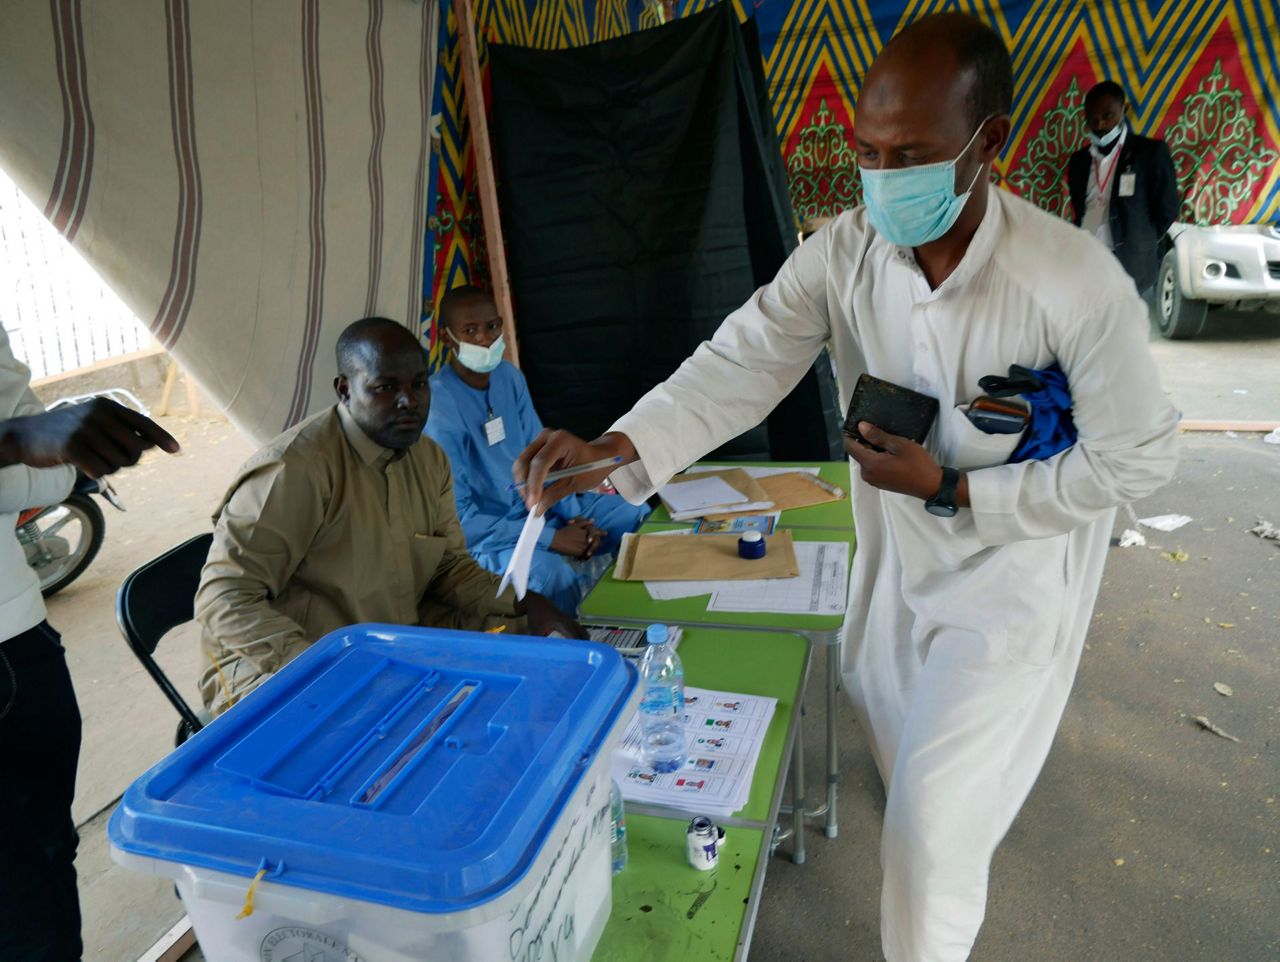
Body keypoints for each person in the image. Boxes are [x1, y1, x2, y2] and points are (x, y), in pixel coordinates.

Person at [513, 14, 1179, 961]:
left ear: (989, 140)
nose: (882, 178)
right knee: (912, 783)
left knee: (930, 833)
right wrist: (619, 448)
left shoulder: (1071, 281)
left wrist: (955, 488)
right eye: (867, 151)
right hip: (895, 571)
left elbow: (1139, 459)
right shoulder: (846, 251)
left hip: (1008, 586)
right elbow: (741, 358)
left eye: (910, 155)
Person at [196, 317, 583, 715]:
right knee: (380, 729)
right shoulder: (295, 470)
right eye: (385, 388)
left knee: (536, 647)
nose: (408, 402)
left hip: (388, 636)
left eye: (418, 384)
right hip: (282, 661)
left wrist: (524, 601)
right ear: (345, 389)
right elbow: (223, 598)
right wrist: (323, 670)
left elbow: (449, 568)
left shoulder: (429, 460)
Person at [1, 326, 180, 962]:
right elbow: (22, 448)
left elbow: (46, 480)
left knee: (48, 861)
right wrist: (13, 441)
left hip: (20, 644)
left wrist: (39, 442)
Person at [424, 286, 649, 612]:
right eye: (470, 331)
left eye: (492, 326)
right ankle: (580, 639)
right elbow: (463, 522)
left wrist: (574, 519)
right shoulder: (439, 405)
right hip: (492, 536)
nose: (484, 338)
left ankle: (637, 617)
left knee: (632, 514)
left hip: (541, 510)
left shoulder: (509, 378)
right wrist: (553, 539)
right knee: (551, 575)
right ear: (447, 338)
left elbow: (547, 463)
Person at [1067, 80, 1180, 297]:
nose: (1100, 125)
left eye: (1107, 116)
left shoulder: (1149, 153)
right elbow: (1081, 209)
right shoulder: (1079, 161)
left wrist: (1141, 240)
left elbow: (1167, 209)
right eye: (1092, 119)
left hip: (1133, 264)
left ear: (1124, 110)